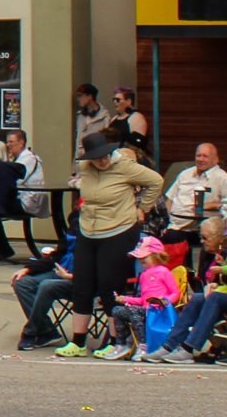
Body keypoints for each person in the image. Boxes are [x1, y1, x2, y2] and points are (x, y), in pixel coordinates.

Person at [53, 130, 166, 358]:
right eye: (96, 158)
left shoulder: (124, 166)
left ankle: (116, 341)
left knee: (109, 286)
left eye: (104, 156)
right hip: (89, 230)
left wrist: (142, 208)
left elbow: (156, 181)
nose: (102, 161)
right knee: (82, 285)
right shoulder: (85, 168)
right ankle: (78, 342)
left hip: (118, 230)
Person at [146, 217, 225, 362]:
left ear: (219, 238)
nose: (201, 241)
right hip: (217, 295)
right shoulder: (208, 254)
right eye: (201, 237)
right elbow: (203, 279)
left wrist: (217, 284)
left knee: (214, 297)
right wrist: (212, 285)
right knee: (198, 298)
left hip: (221, 296)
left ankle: (189, 348)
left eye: (205, 238)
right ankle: (169, 345)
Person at [107, 233, 184, 361]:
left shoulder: (163, 271)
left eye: (144, 257)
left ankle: (143, 344)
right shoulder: (143, 275)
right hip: (145, 309)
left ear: (156, 255)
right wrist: (125, 299)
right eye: (139, 257)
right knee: (116, 310)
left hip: (158, 310)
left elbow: (175, 292)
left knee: (133, 311)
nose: (141, 260)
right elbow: (143, 300)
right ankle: (122, 344)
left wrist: (164, 302)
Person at [13, 233, 77, 351]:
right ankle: (46, 330)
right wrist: (29, 269)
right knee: (21, 282)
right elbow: (56, 257)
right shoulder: (76, 227)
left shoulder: (103, 233)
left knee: (47, 285)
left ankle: (30, 332)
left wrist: (69, 276)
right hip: (61, 272)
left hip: (82, 281)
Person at [158, 142, 227, 244]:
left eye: (205, 156)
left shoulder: (222, 177)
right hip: (178, 226)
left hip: (206, 229)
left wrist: (213, 205)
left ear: (215, 159)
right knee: (168, 239)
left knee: (214, 244)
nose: (200, 159)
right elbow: (170, 199)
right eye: (198, 155)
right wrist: (170, 219)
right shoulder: (185, 174)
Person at [8, 127, 48, 221]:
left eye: (11, 142)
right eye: (7, 142)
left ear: (21, 143)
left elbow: (15, 181)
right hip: (23, 199)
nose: (8, 145)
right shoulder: (19, 158)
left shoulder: (28, 159)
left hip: (28, 202)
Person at [108, 86, 153, 156]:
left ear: (128, 101)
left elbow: (138, 142)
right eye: (113, 99)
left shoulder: (136, 117)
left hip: (132, 157)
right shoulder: (114, 118)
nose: (115, 102)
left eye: (117, 100)